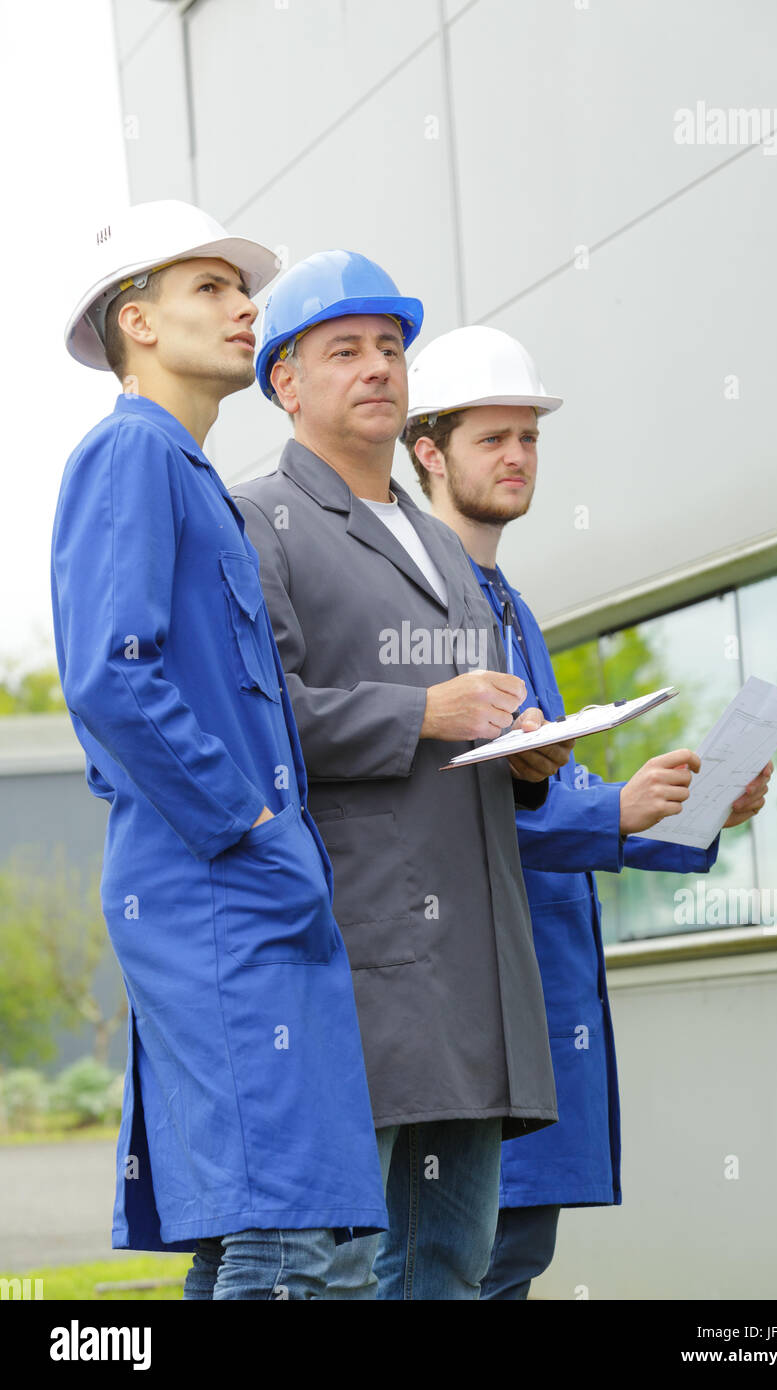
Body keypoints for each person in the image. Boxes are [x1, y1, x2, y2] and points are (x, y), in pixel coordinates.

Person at [51, 201, 388, 1301]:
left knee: (251, 1222)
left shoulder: (183, 473)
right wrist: (246, 824)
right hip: (212, 883)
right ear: (135, 321)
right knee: (293, 1235)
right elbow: (111, 674)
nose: (248, 308)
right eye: (212, 289)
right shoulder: (131, 453)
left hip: (230, 885)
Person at [231, 250, 575, 1300]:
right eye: (345, 350)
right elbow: (258, 722)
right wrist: (421, 711)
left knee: (446, 1266)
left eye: (390, 347)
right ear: (284, 380)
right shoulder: (255, 523)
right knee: (329, 1265)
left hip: (470, 977)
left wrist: (527, 757)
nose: (378, 367)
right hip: (359, 961)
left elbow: (472, 731)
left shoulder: (440, 545)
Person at [404, 324, 774, 1299]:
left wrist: (684, 811)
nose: (518, 457)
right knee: (458, 1266)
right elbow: (452, 805)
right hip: (470, 1004)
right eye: (492, 438)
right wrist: (616, 808)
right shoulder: (414, 606)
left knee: (512, 1259)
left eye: (528, 437)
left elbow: (540, 786)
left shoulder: (509, 604)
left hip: (540, 986)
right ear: (427, 451)